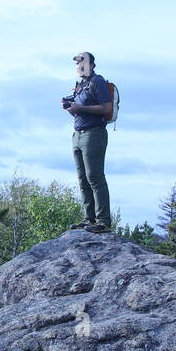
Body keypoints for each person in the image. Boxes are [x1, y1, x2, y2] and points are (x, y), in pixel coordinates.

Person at [63, 51, 112, 233]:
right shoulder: (80, 85)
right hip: (77, 135)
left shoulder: (97, 81)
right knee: (83, 179)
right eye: (77, 64)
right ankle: (89, 219)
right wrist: (71, 108)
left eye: (83, 62)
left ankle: (103, 221)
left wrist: (80, 107)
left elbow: (106, 107)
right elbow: (79, 109)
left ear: (92, 65)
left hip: (94, 133)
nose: (80, 66)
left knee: (95, 177)